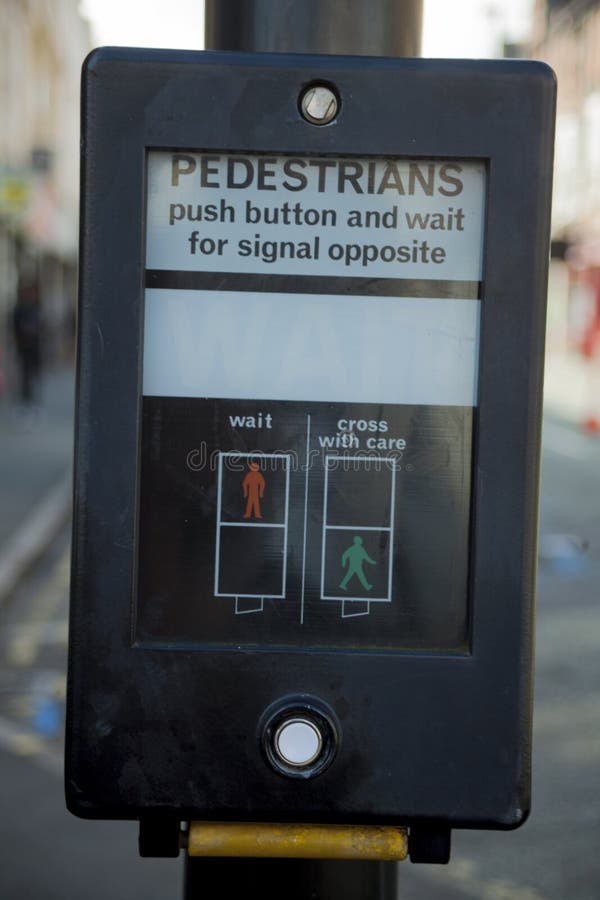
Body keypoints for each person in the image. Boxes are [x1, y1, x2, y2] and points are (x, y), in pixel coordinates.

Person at [12, 281, 42, 404]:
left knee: (34, 369)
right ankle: (26, 395)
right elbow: (16, 326)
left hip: (34, 345)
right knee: (25, 371)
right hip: (24, 346)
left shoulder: (35, 307)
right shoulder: (20, 309)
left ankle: (32, 394)